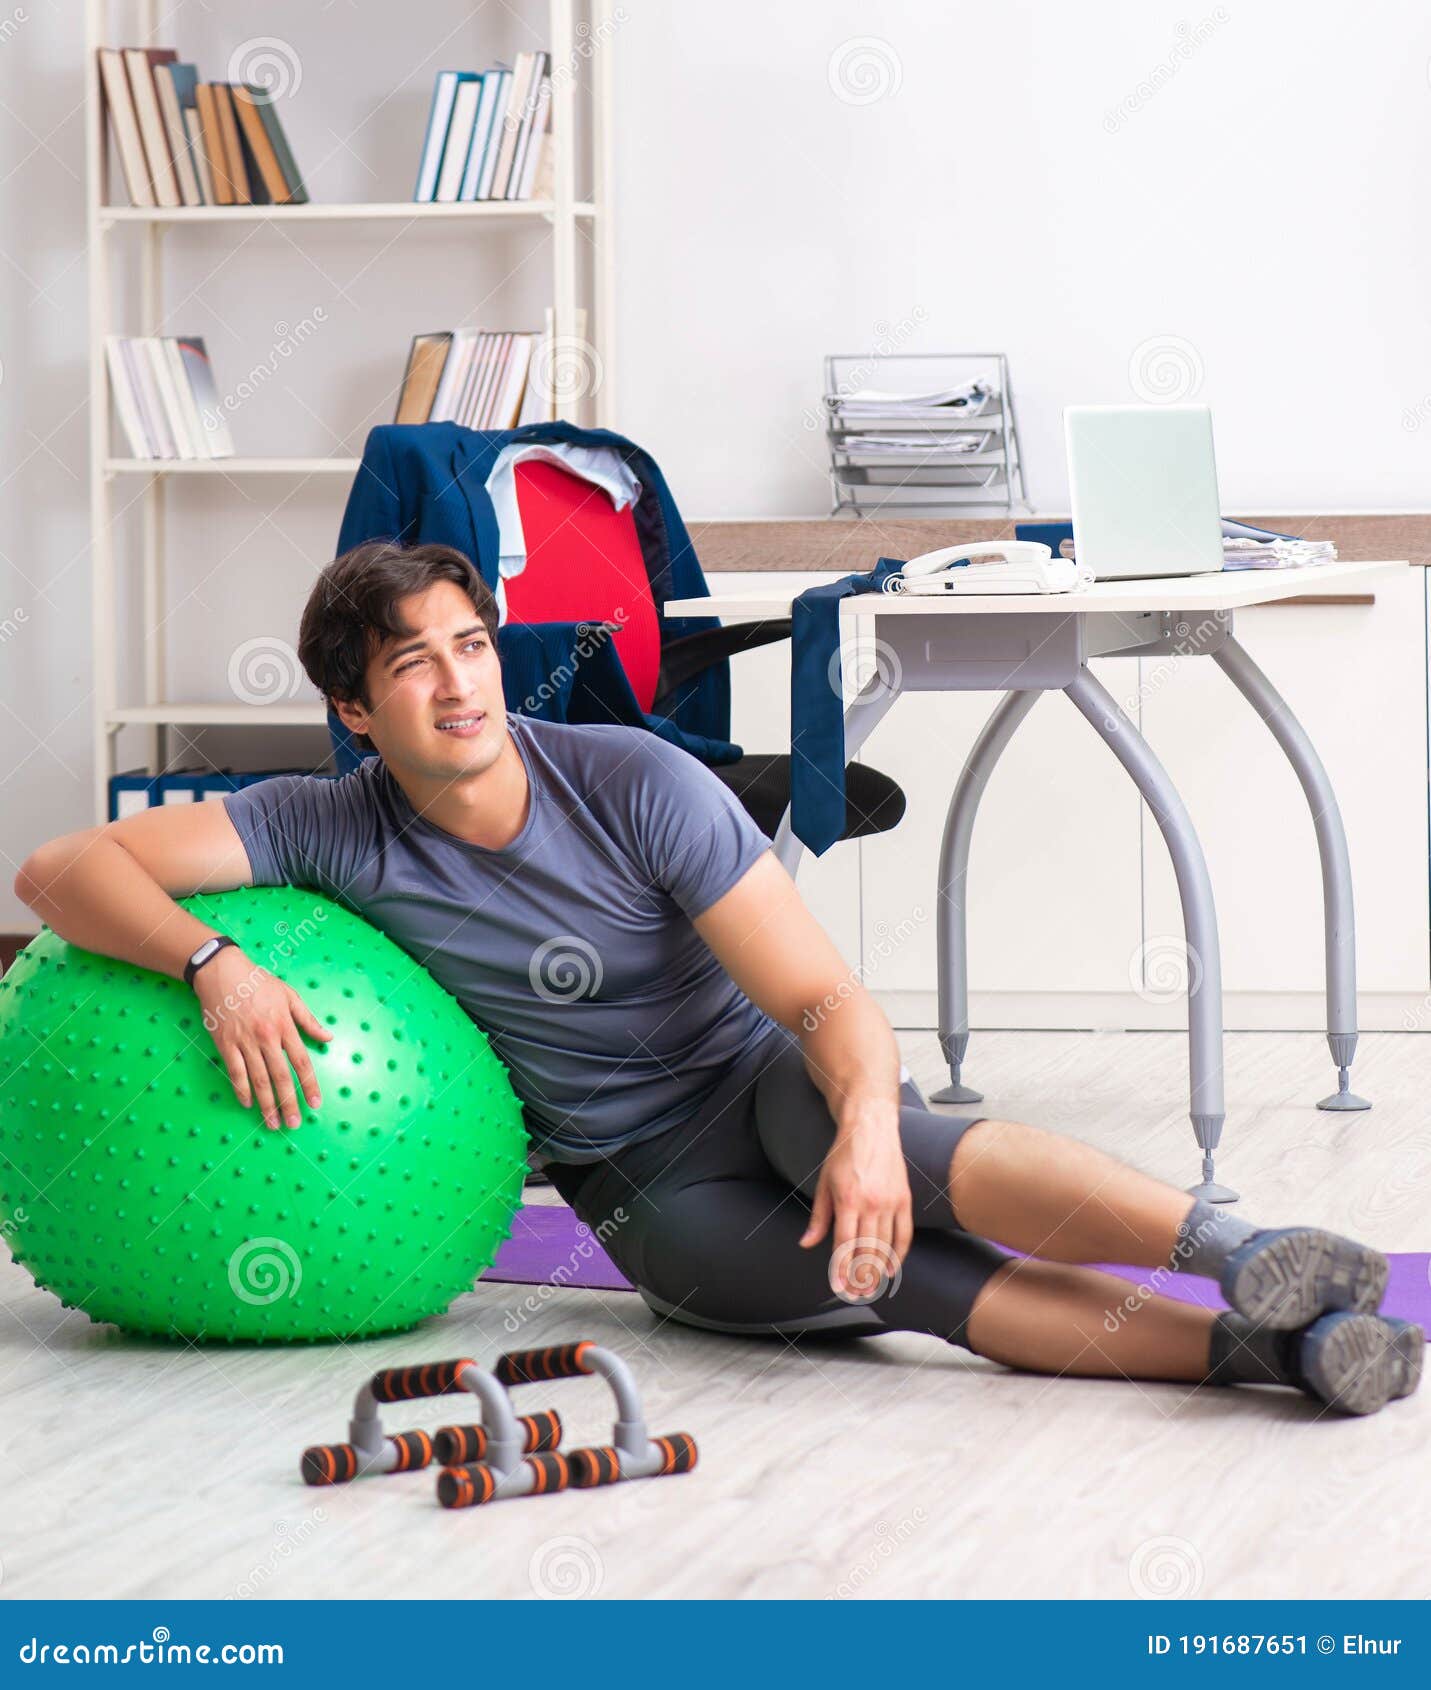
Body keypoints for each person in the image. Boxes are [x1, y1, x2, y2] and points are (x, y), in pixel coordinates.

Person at [15, 540, 1422, 1418]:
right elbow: (62, 869)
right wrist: (214, 965)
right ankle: (1272, 1361)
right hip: (643, 1188)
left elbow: (823, 1004)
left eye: (472, 646)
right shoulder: (321, 823)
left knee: (888, 1156)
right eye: (412, 665)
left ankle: (1248, 1255)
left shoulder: (635, 779)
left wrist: (866, 1131)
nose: (458, 684)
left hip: (762, 1082)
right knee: (922, 1291)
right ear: (352, 708)